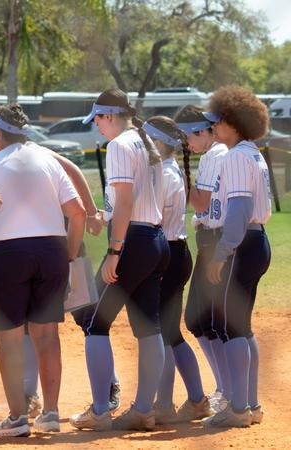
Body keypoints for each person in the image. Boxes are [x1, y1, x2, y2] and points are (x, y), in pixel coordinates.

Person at [0, 105, 85, 436]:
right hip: (52, 251)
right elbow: (79, 213)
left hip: (7, 252)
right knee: (46, 335)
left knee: (10, 340)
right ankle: (52, 413)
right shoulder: (48, 159)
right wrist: (69, 256)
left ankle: (17, 417)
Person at [70, 88, 170, 432]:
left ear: (110, 115)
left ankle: (100, 410)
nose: (96, 125)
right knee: (148, 326)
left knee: (93, 320)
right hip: (155, 240)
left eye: (97, 118)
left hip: (132, 243)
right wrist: (106, 217)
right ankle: (143, 409)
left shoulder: (119, 145)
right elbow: (130, 204)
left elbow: (126, 203)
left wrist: (115, 250)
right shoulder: (146, 142)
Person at [202, 85, 271, 428]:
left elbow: (239, 210)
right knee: (242, 328)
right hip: (256, 243)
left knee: (230, 328)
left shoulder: (236, 156)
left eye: (218, 121)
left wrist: (221, 253)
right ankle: (251, 405)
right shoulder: (251, 152)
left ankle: (239, 408)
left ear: (234, 122)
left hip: (242, 245)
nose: (213, 127)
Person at [143, 116, 213, 424]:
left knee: (161, 332)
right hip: (174, 253)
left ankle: (166, 404)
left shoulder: (163, 173)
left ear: (157, 143)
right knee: (169, 332)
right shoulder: (166, 170)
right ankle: (195, 399)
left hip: (168, 255)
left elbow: (147, 216)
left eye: (145, 140)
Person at [175, 105, 231, 412]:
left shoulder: (214, 155)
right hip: (212, 238)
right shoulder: (219, 153)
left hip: (216, 239)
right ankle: (225, 387)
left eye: (189, 136)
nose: (188, 143)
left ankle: (228, 390)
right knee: (202, 319)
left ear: (202, 131)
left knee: (204, 319)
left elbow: (199, 203)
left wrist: (178, 176)